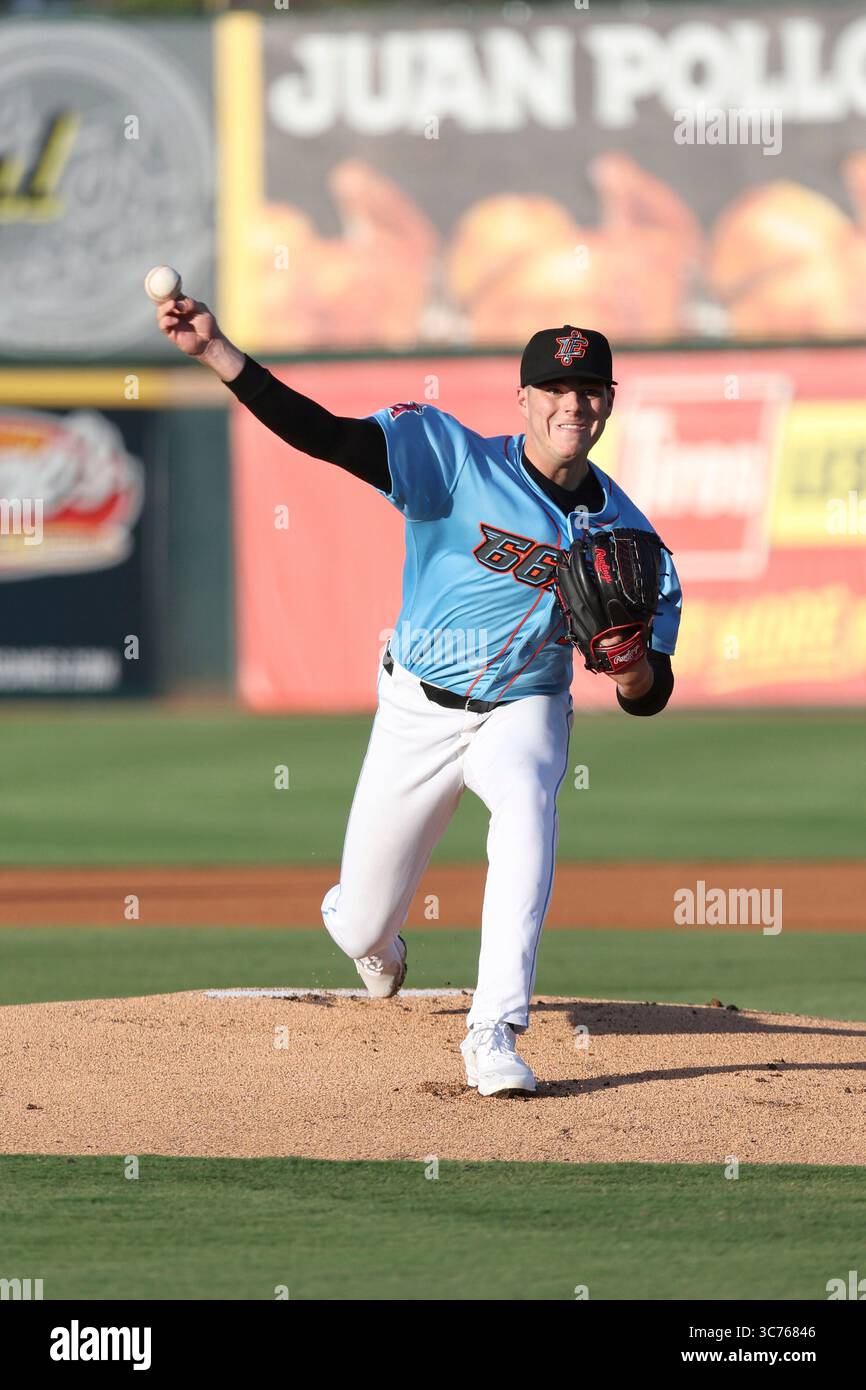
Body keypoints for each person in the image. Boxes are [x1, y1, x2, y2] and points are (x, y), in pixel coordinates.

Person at [156, 300, 681, 1097]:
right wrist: (219, 352)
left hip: (525, 706)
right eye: (554, 387)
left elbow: (651, 696)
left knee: (530, 806)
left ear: (609, 400)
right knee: (361, 922)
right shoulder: (452, 458)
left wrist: (631, 665)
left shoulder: (633, 539)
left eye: (588, 389)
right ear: (523, 399)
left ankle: (494, 1029)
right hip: (417, 707)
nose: (572, 403)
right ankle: (378, 941)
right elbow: (325, 436)